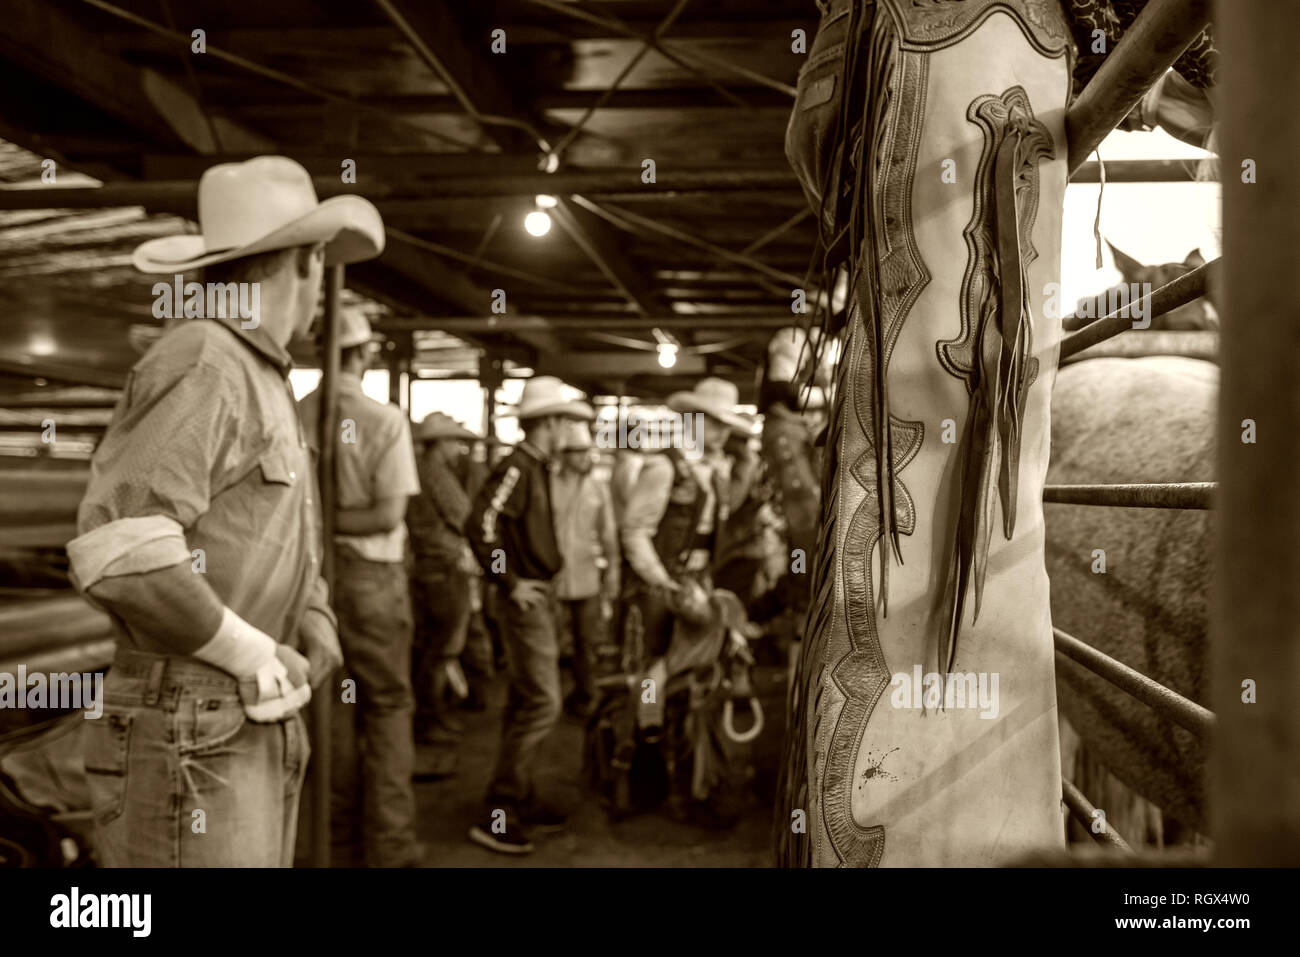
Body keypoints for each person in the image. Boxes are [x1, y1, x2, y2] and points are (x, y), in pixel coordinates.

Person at [66, 155, 383, 866]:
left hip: (226, 709)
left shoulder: (259, 372)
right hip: (193, 710)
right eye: (322, 267)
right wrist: (251, 651)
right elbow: (120, 553)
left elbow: (256, 526)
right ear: (306, 260)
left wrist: (311, 611)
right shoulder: (206, 357)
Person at [297, 308, 422, 867]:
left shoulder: (294, 414)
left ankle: (333, 840)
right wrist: (337, 521)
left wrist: (316, 525)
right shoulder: (383, 419)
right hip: (371, 581)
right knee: (389, 705)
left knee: (332, 710)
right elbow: (387, 515)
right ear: (363, 354)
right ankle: (390, 846)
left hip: (310, 583)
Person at [465, 376, 594, 855]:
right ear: (551, 423)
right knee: (543, 703)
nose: (570, 430)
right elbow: (479, 524)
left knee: (526, 701)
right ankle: (499, 808)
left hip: (537, 599)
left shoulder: (534, 466)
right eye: (566, 421)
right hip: (526, 602)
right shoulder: (519, 467)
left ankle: (514, 800)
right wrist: (509, 582)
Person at [619, 377, 752, 664]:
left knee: (691, 661)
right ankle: (647, 708)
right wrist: (660, 578)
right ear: (693, 420)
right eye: (714, 422)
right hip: (661, 581)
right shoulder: (664, 466)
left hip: (696, 578)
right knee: (654, 663)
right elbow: (634, 530)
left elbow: (722, 515)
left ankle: (672, 707)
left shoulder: (715, 471)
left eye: (726, 424)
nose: (723, 432)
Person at [407, 412, 480, 778]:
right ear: (440, 444)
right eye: (452, 441)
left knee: (430, 646)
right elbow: (466, 516)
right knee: (444, 647)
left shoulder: (418, 470)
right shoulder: (437, 474)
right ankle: (429, 717)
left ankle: (428, 714)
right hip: (445, 567)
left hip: (426, 567)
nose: (457, 447)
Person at [549, 421, 619, 719]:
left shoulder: (597, 488)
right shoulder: (548, 485)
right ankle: (548, 698)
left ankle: (585, 694)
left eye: (585, 451)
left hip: (586, 576)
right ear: (563, 454)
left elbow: (608, 533)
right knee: (550, 642)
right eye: (576, 452)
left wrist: (612, 569)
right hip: (552, 577)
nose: (583, 458)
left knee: (586, 641)